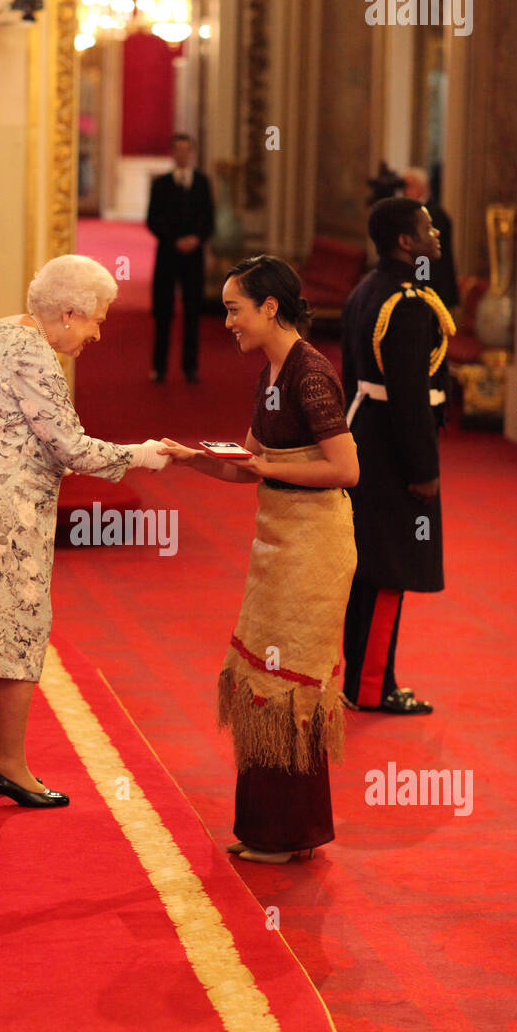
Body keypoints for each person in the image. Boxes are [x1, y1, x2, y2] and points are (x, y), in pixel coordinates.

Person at [0, 254, 170, 807]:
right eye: (96, 320)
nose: (97, 333)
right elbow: (70, 447)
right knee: (20, 631)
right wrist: (142, 455)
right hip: (7, 518)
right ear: (69, 312)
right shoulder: (35, 356)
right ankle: (10, 766)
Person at [159, 256, 359, 863]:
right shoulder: (271, 371)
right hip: (277, 541)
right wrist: (192, 458)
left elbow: (348, 469)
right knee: (264, 679)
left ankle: (284, 833)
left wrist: (271, 467)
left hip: (315, 547)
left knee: (287, 681)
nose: (226, 323)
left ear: (270, 307)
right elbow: (247, 461)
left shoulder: (311, 373)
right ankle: (281, 831)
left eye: (233, 309)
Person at [341, 197, 454, 714]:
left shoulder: (369, 288)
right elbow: (409, 396)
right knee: (391, 569)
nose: (437, 235)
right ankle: (371, 687)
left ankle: (366, 679)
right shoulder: (407, 302)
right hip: (394, 445)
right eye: (428, 228)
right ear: (406, 242)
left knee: (370, 566)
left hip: (367, 431)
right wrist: (423, 470)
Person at [147, 132, 215, 383]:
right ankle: (159, 367)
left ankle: (190, 367)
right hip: (168, 254)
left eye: (187, 149)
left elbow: (209, 219)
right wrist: (174, 239)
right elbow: (152, 219)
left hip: (193, 257)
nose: (183, 154)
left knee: (192, 312)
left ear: (191, 153)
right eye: (178, 149)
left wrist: (196, 239)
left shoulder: (202, 183)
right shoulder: (161, 184)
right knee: (163, 312)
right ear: (172, 153)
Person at [402, 166, 459, 310]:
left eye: (409, 186)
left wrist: (421, 285)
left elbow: (425, 255)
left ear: (421, 188)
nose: (404, 192)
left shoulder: (433, 214)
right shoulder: (419, 212)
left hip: (435, 287)